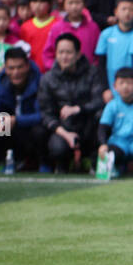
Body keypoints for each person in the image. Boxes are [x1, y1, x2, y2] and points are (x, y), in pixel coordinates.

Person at [39, 33, 105, 173]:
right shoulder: (48, 79)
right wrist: (65, 134)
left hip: (88, 125)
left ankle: (92, 159)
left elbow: (99, 101)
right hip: (64, 128)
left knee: (103, 115)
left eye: (68, 52)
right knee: (52, 143)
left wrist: (78, 109)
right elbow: (46, 113)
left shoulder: (92, 72)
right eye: (60, 52)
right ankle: (62, 163)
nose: (64, 56)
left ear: (78, 54)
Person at [0, 48, 46, 172]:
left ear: (27, 66)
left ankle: (43, 164)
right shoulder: (2, 82)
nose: (15, 72)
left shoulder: (40, 81)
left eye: (19, 67)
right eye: (11, 68)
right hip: (10, 131)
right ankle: (0, 161)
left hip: (30, 131)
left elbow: (43, 115)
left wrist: (17, 120)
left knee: (40, 131)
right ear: (5, 67)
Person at [42, 0, 101, 67]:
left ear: (84, 4)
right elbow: (48, 53)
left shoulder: (93, 28)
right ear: (64, 5)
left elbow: (98, 53)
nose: (74, 7)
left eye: (77, 3)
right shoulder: (57, 28)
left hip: (87, 74)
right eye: (70, 3)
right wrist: (56, 68)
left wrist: (93, 68)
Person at [95, 0, 133, 93]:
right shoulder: (106, 34)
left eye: (131, 9)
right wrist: (105, 89)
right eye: (124, 9)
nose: (127, 13)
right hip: (112, 87)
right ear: (116, 12)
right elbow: (101, 64)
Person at [18, 0, 58, 71]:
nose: (37, 5)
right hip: (31, 71)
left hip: (53, 70)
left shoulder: (58, 24)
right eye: (34, 1)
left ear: (50, 4)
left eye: (42, 2)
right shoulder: (25, 26)